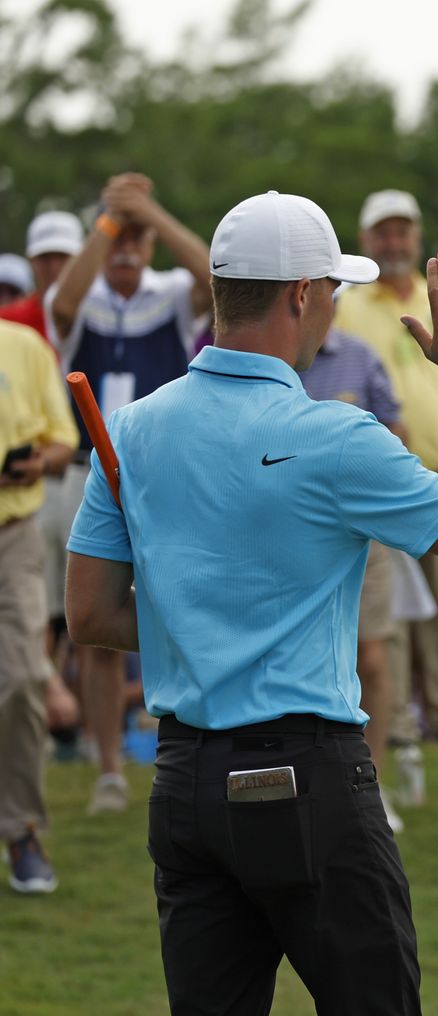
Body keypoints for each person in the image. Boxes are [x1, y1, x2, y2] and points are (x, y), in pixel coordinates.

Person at [63, 190, 438, 1016]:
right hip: (308, 777)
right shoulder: (337, 436)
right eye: (333, 290)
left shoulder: (132, 429)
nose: (335, 307)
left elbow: (90, 613)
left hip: (183, 783)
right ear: (302, 295)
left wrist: (205, 626)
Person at [47, 171, 213, 815]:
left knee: (181, 603)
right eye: (118, 236)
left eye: (136, 238)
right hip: (89, 472)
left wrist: (149, 213)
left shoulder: (169, 293)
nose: (125, 248)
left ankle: (187, 746)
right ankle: (109, 769)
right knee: (95, 618)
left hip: (161, 469)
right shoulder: (82, 293)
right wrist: (113, 219)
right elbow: (63, 306)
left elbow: (213, 277)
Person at [335, 189, 438, 819]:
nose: (393, 242)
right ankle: (394, 725)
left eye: (402, 231)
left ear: (416, 236)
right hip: (375, 478)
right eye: (382, 233)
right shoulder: (346, 303)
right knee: (386, 613)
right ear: (366, 239)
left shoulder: (437, 294)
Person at [297, 325, 408, 831]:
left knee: (372, 656)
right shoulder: (269, 354)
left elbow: (396, 430)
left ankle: (371, 784)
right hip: (291, 529)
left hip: (361, 528)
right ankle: (314, 784)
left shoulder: (361, 356)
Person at [0, 319, 79, 893]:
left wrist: (34, 464)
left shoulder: (25, 346)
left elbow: (62, 440)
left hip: (13, 536)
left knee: (25, 678)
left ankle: (21, 829)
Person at [0, 210, 84, 343]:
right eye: (45, 257)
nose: (54, 267)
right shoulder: (7, 321)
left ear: (81, 260)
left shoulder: (99, 319)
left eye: (62, 257)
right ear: (31, 261)